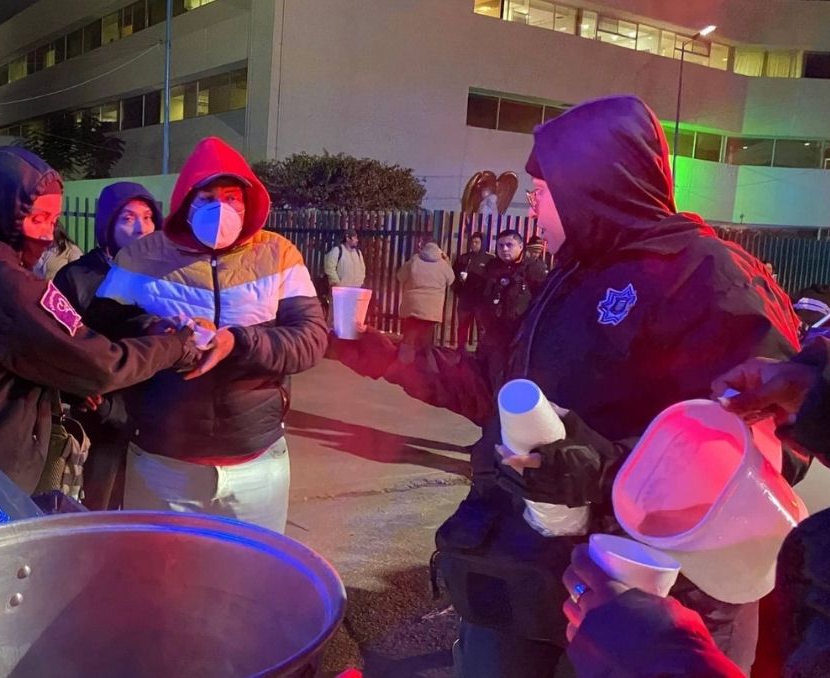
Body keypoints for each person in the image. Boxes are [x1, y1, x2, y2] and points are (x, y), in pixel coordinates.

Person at [331, 95, 800, 677]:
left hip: (649, 606)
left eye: (545, 187)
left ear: (599, 186)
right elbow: (500, 392)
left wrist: (605, 466)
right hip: (532, 580)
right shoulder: (569, 277)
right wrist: (387, 357)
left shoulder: (706, 275)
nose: (531, 200)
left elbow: (774, 441)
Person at [561, 93, 830, 678]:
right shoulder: (569, 280)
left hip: (704, 582)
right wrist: (824, 397)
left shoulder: (706, 271)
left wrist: (667, 663)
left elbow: (771, 454)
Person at [0, 147, 200, 494]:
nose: (48, 235)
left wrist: (63, 378)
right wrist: (176, 345)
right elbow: (100, 364)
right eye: (37, 219)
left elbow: (2, 353)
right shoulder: (6, 284)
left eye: (53, 221)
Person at [92, 136, 328, 533]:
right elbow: (101, 329)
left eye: (232, 197)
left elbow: (310, 338)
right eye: (207, 197)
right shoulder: (141, 256)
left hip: (257, 461)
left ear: (248, 202)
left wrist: (238, 342)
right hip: (162, 462)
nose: (221, 209)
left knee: (251, 581)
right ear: (187, 200)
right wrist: (164, 334)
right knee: (161, 582)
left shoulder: (279, 254)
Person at [53, 181, 161, 510]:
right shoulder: (77, 277)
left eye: (147, 217)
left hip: (160, 418)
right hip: (104, 420)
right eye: (128, 218)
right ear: (108, 224)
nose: (140, 227)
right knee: (100, 515)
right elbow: (57, 345)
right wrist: (81, 390)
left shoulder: (174, 274)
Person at [478, 229, 547, 389]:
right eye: (501, 245)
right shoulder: (492, 267)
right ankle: (496, 408)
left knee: (517, 378)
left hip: (520, 335)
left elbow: (542, 300)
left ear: (521, 246)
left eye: (510, 245)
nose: (504, 249)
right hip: (495, 333)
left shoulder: (533, 268)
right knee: (494, 375)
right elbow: (483, 295)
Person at [397, 236, 456, 353]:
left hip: (413, 307)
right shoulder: (443, 264)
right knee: (426, 341)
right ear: (439, 248)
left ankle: (403, 363)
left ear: (423, 246)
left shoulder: (414, 260)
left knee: (409, 337)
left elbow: (400, 276)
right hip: (432, 310)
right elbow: (451, 279)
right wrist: (447, 260)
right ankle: (425, 365)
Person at [452, 232, 493, 351]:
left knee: (482, 327)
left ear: (482, 243)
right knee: (463, 326)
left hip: (481, 301)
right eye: (472, 242)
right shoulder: (463, 258)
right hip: (466, 299)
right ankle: (460, 349)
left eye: (477, 242)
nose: (474, 245)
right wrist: (459, 284)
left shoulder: (489, 259)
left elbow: (492, 279)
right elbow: (453, 276)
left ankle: (481, 350)